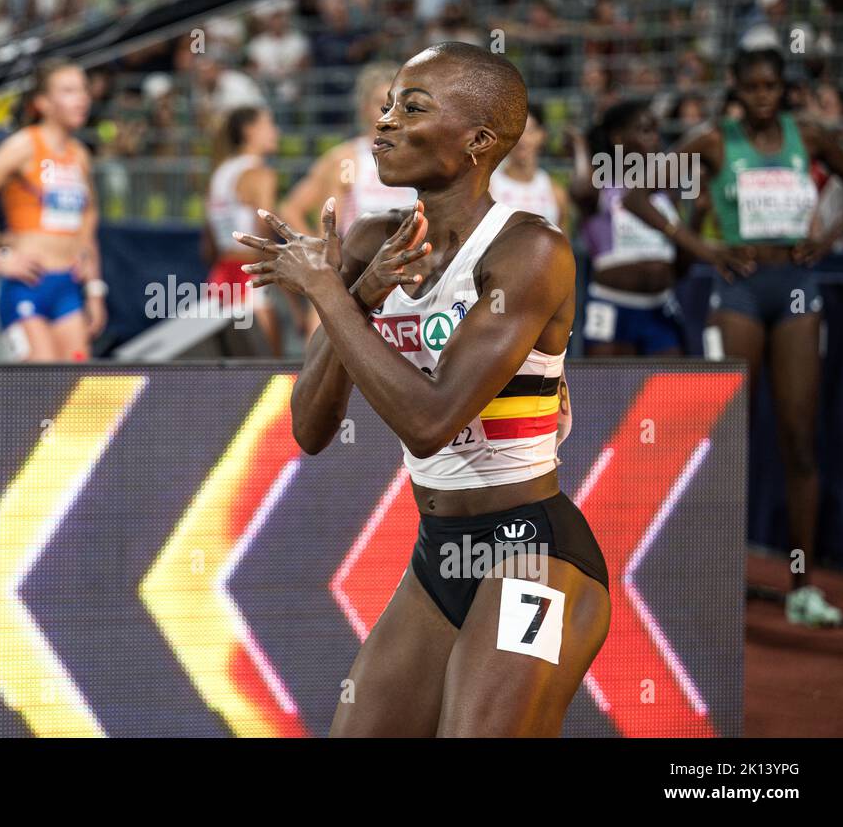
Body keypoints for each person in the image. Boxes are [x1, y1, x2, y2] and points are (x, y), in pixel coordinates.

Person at [237, 42, 610, 736]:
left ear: (477, 142)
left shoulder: (529, 251)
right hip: (439, 548)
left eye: (413, 107)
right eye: (387, 106)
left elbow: (432, 419)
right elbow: (311, 430)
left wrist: (331, 295)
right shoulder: (373, 241)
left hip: (532, 553)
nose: (385, 122)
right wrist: (358, 291)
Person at [624, 47, 843, 627]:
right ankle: (708, 576)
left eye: (772, 87)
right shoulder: (712, 141)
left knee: (800, 438)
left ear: (785, 89)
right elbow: (632, 191)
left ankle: (802, 586)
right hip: (739, 291)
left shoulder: (813, 137)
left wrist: (825, 241)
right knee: (725, 440)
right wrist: (700, 247)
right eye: (752, 88)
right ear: (736, 89)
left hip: (797, 288)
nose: (762, 98)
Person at [0, 58, 106, 361]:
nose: (82, 98)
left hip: (67, 286)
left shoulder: (79, 155)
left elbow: (89, 217)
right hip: (28, 284)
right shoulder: (24, 146)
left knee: (77, 387)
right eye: (69, 90)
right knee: (39, 384)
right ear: (42, 102)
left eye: (83, 89)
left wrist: (95, 288)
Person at [571, 100, 685, 356]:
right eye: (645, 130)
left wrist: (699, 213)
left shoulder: (667, 191)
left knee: (668, 394)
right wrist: (581, 146)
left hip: (661, 307)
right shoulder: (601, 186)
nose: (654, 139)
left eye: (656, 131)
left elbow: (681, 255)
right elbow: (578, 190)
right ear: (618, 138)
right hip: (612, 306)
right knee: (609, 394)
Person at [281, 63, 418, 237]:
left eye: (395, 104)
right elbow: (291, 209)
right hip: (359, 262)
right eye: (380, 103)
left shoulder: (417, 156)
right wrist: (317, 252)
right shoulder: (348, 158)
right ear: (364, 107)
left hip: (409, 260)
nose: (388, 111)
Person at [202, 105, 283, 355]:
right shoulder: (260, 173)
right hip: (250, 276)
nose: (276, 132)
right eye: (269, 125)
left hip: (220, 276)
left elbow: (208, 242)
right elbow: (263, 232)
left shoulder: (220, 173)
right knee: (272, 368)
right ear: (249, 131)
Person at [488, 104, 568, 228]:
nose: (523, 140)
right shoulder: (488, 189)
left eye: (529, 131)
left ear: (542, 135)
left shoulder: (555, 193)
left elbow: (563, 243)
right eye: (516, 131)